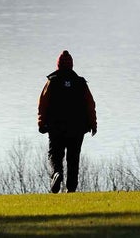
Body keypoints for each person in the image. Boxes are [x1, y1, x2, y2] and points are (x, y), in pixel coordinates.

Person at [37, 50, 97, 193]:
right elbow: (90, 104)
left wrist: (41, 123)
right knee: (73, 158)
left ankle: (56, 174)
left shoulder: (52, 81)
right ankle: (71, 188)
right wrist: (93, 124)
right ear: (71, 65)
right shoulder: (80, 82)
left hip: (56, 127)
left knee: (55, 155)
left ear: (58, 65)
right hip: (77, 128)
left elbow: (42, 103)